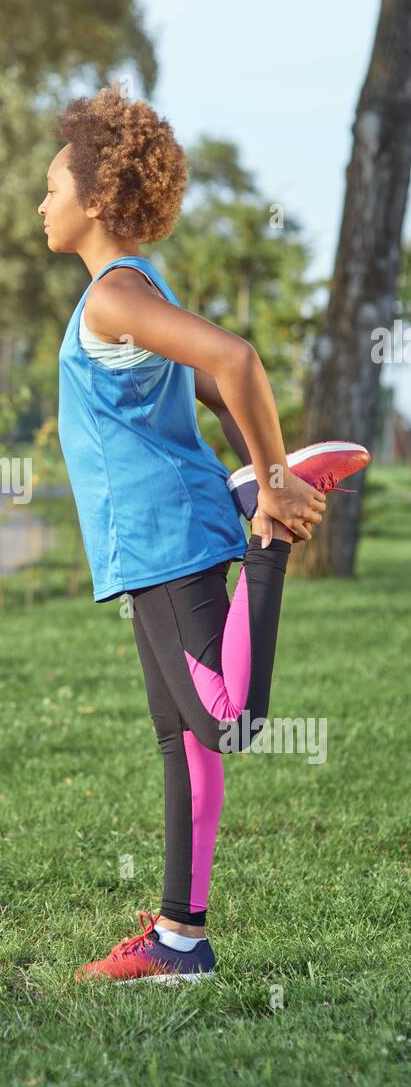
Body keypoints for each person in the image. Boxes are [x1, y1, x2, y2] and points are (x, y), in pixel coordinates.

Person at [41, 87, 370, 982]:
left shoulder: (115, 294)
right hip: (153, 543)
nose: (41, 204)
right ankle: (179, 941)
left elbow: (235, 361)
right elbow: (208, 389)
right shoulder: (127, 294)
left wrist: (269, 489)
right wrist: (249, 465)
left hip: (167, 540)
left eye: (51, 188)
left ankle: (263, 540)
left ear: (96, 200)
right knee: (182, 740)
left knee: (228, 724)